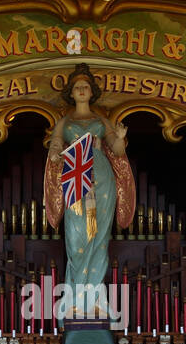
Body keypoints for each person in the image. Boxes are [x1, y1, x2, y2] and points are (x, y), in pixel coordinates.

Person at [43, 64, 135, 314]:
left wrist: (121, 138)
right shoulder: (65, 121)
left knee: (99, 238)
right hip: (75, 175)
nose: (81, 90)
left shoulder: (99, 120)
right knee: (75, 238)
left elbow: (116, 149)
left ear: (91, 92)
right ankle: (74, 299)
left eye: (85, 87)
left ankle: (93, 300)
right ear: (71, 93)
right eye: (77, 87)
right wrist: (53, 154)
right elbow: (54, 146)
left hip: (102, 178)